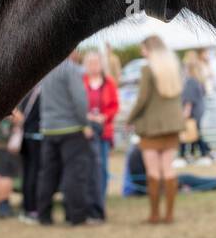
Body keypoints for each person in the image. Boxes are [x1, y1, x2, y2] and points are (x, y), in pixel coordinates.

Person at [127, 35, 185, 224]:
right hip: (172, 126)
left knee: (153, 172)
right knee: (168, 170)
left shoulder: (147, 69)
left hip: (151, 128)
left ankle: (154, 215)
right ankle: (169, 215)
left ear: (149, 49)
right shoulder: (173, 67)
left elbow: (142, 99)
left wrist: (130, 118)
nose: (142, 52)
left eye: (143, 48)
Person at [35, 54, 99, 227]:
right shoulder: (70, 69)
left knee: (48, 174)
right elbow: (79, 99)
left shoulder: (47, 67)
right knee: (75, 174)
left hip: (49, 128)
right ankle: (76, 216)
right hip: (71, 129)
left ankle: (44, 215)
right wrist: (85, 123)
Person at [81, 49, 119, 220]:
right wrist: (86, 116)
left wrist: (104, 116)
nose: (93, 66)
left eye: (96, 63)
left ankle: (100, 198)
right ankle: (87, 200)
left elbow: (115, 105)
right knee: (86, 166)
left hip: (104, 131)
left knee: (102, 166)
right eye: (90, 63)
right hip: (85, 131)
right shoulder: (81, 81)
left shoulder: (109, 82)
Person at [121, 142, 216, 195]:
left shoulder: (142, 149)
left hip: (153, 185)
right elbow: (141, 181)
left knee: (187, 179)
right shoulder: (140, 152)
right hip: (143, 189)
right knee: (188, 180)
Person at [179, 51, 214, 164]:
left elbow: (189, 100)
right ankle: (205, 152)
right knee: (196, 133)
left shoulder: (190, 81)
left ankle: (201, 153)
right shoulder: (199, 80)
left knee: (191, 134)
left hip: (193, 111)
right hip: (199, 110)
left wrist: (185, 113)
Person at [15, 84, 42, 222]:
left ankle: (26, 207)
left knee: (26, 173)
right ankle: (32, 209)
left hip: (25, 137)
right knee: (33, 173)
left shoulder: (28, 91)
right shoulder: (40, 92)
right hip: (36, 137)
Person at [0, 114, 19, 219]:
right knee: (6, 175)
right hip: (6, 141)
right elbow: (18, 117)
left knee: (0, 174)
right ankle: (4, 207)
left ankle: (1, 205)